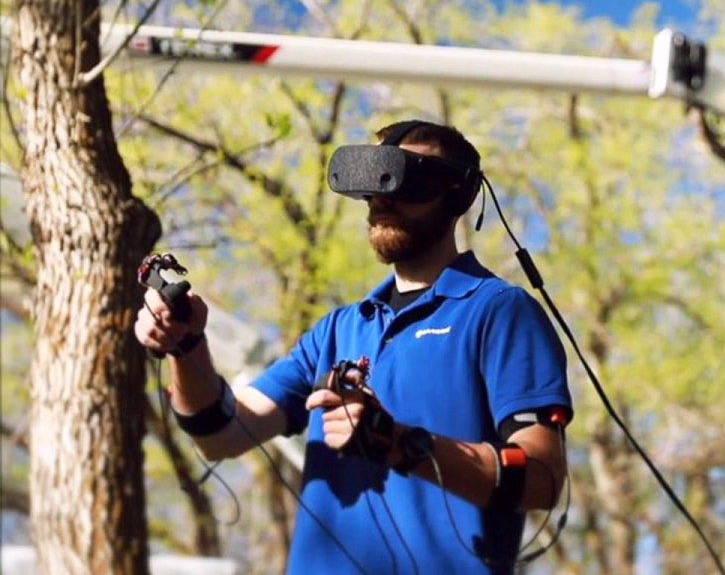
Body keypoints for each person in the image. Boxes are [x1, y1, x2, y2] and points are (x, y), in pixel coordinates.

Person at [135, 119, 574, 574]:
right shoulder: (338, 330)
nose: (382, 198)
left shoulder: (500, 312)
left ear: (459, 195)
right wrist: (186, 347)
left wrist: (400, 444)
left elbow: (542, 479)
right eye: (374, 180)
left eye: (406, 179)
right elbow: (221, 435)